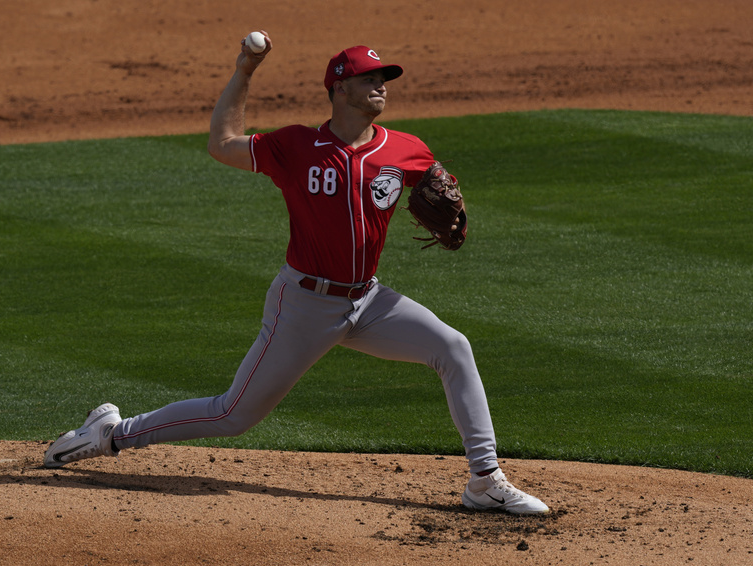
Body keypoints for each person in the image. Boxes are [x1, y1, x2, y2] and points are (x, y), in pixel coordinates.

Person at [43, 36, 548, 516]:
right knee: (232, 415)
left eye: (384, 76)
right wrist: (245, 71)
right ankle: (111, 433)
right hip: (304, 305)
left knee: (453, 347)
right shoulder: (296, 147)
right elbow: (222, 143)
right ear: (339, 89)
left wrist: (453, 208)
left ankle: (485, 482)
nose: (381, 84)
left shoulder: (405, 149)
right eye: (368, 76)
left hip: (369, 303)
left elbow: (440, 185)